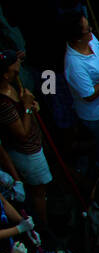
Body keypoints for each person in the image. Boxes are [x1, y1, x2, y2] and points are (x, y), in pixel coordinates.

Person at [0, 51, 54, 231]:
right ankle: (45, 228)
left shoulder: (12, 83)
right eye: (14, 70)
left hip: (35, 142)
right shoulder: (3, 103)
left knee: (42, 189)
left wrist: (30, 105)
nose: (18, 72)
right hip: (27, 152)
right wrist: (27, 109)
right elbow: (21, 133)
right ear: (5, 74)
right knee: (39, 192)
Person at [63, 13, 99, 173]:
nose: (91, 31)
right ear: (76, 38)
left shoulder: (90, 40)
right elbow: (88, 95)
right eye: (87, 30)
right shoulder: (74, 64)